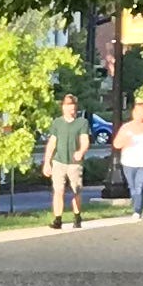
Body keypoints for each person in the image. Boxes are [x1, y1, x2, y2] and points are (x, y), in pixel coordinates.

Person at [42, 92, 90, 226]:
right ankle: (57, 219)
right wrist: (47, 162)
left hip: (74, 163)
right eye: (68, 105)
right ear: (63, 107)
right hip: (59, 162)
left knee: (76, 190)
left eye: (73, 105)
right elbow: (52, 143)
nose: (71, 108)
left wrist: (81, 152)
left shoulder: (82, 123)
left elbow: (85, 140)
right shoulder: (57, 123)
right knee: (58, 190)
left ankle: (77, 216)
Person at [114, 96, 143, 216]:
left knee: (140, 186)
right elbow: (116, 144)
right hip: (129, 162)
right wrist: (126, 141)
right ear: (134, 113)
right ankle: (137, 205)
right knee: (133, 188)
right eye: (139, 112)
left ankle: (137, 211)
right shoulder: (126, 128)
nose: (142, 115)